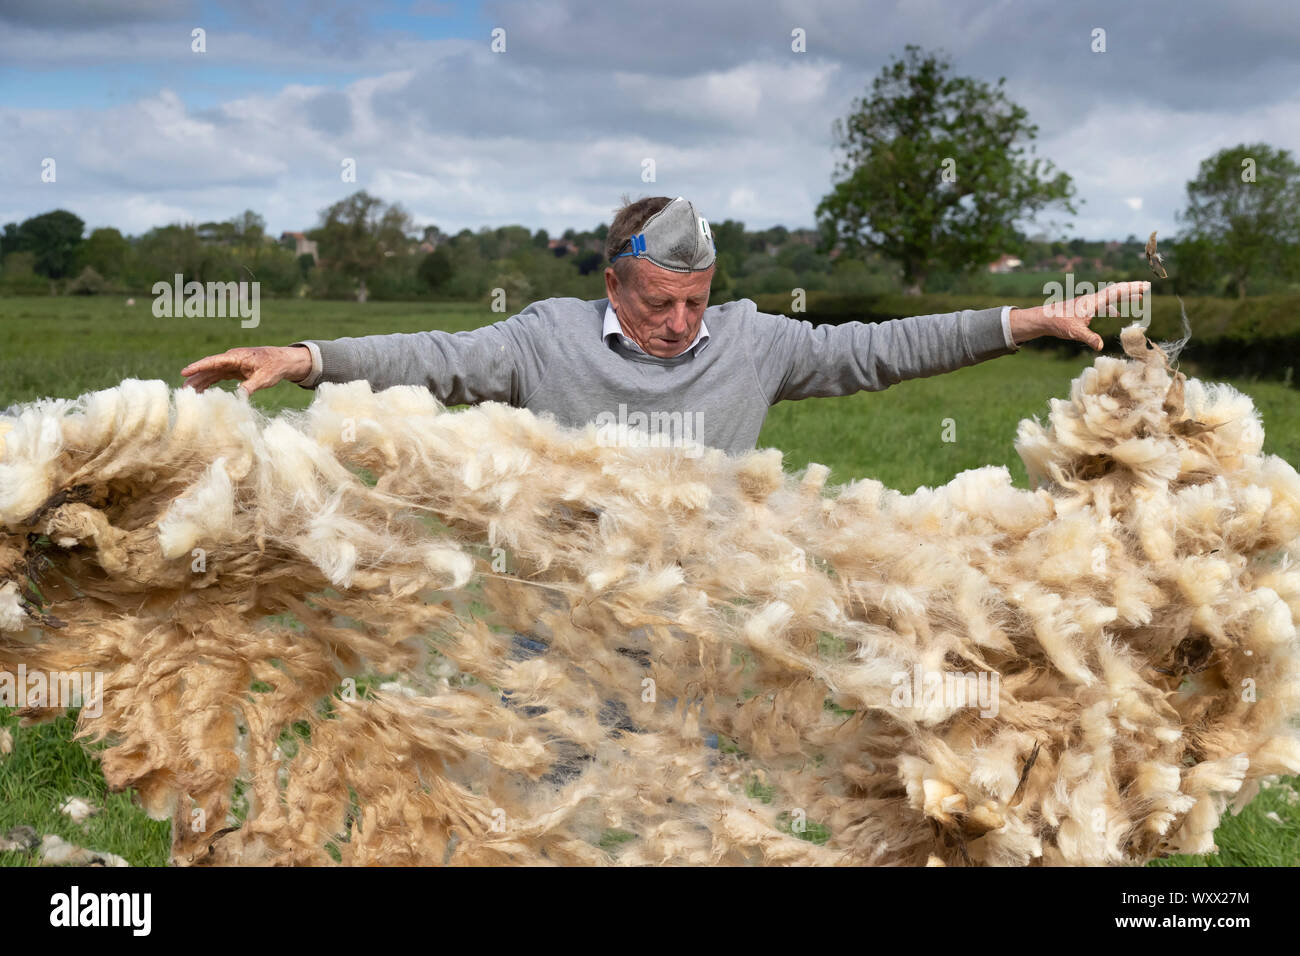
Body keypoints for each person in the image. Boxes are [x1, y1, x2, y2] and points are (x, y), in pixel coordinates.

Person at [181, 195, 1150, 456]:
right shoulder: (543, 338)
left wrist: (1021, 319)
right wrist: (306, 355)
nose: (683, 323)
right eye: (659, 303)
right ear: (612, 282)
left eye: (698, 299)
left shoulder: (752, 340)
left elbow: (876, 349)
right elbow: (437, 359)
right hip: (559, 620)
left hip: (699, 625)